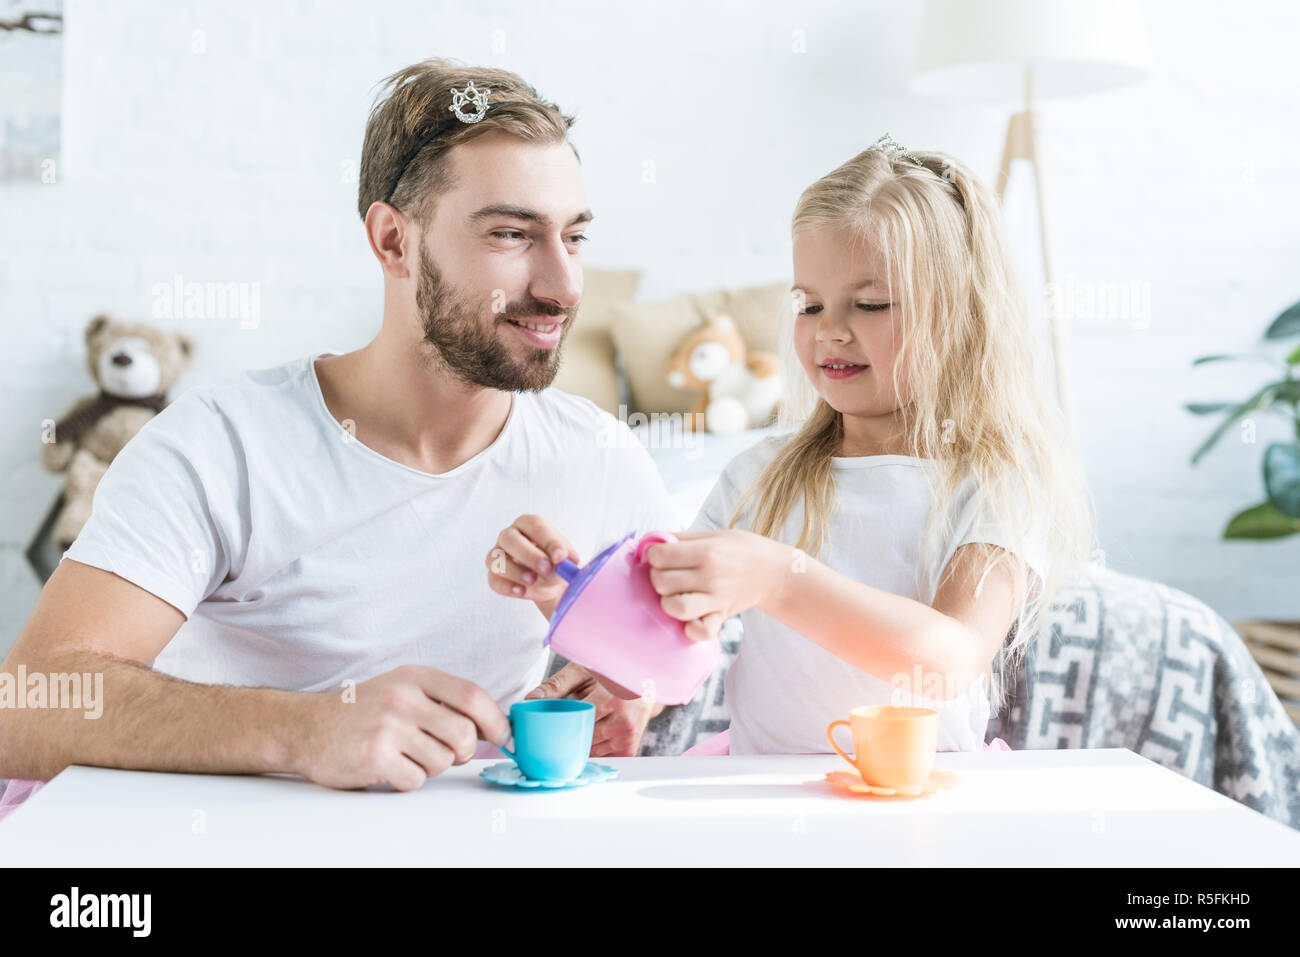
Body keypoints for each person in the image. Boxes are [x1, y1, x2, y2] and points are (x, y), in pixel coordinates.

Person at [0, 57, 677, 805]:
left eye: (573, 237)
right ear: (393, 241)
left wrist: (628, 701)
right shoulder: (223, 446)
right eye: (513, 235)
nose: (562, 285)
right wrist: (307, 728)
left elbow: (654, 677)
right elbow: (26, 702)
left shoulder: (598, 457)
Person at [494, 137, 1096, 756]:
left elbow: (949, 659)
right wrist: (563, 592)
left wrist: (781, 579)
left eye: (870, 304)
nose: (829, 331)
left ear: (960, 316)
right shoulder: (759, 476)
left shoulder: (996, 482)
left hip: (913, 804)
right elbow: (657, 662)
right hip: (763, 800)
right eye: (809, 304)